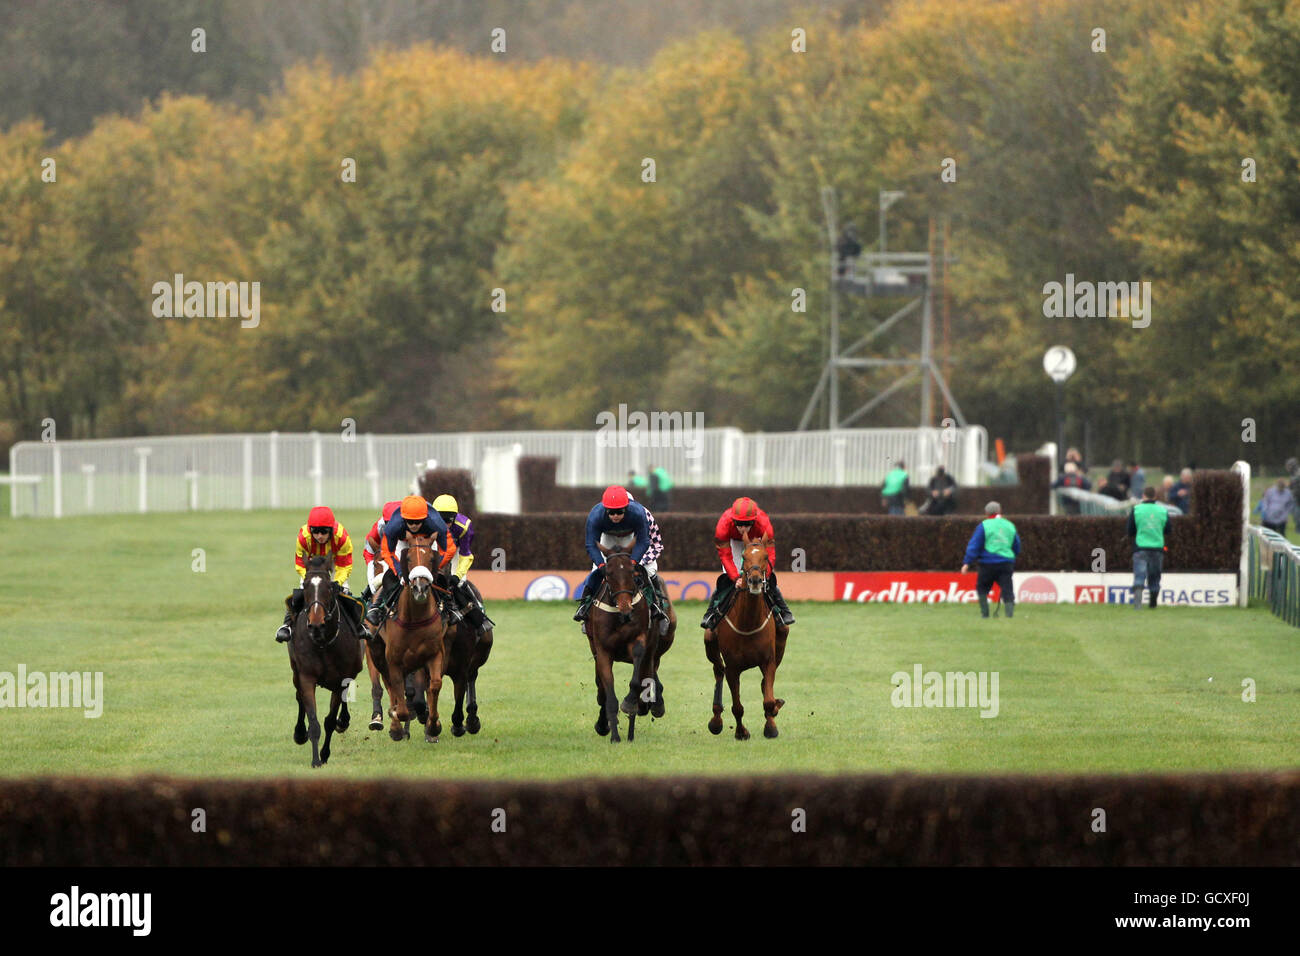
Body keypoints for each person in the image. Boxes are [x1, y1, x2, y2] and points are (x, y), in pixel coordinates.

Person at [573, 485, 669, 629]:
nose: (615, 516)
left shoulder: (639, 513)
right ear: (605, 509)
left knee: (648, 570)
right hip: (607, 538)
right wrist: (600, 565)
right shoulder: (595, 515)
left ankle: (657, 606)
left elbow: (644, 541)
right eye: (611, 512)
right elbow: (591, 545)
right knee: (595, 571)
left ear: (627, 508)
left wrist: (633, 561)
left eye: (619, 512)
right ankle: (584, 607)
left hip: (632, 539)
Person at [700, 496, 795, 630]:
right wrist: (735, 578)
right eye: (739, 524)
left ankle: (783, 611)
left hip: (757, 541)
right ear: (733, 520)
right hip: (733, 542)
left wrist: (765, 575)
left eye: (747, 524)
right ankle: (711, 613)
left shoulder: (764, 523)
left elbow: (770, 554)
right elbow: (725, 556)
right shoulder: (723, 525)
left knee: (767, 577)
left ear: (754, 520)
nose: (743, 528)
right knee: (726, 579)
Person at [365, 495, 451, 627]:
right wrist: (399, 572)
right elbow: (387, 553)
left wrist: (433, 568)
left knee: (437, 573)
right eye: (410, 522)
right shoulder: (393, 526)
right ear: (403, 519)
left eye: (418, 522)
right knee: (391, 574)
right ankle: (377, 607)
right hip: (403, 540)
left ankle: (448, 605)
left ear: (425, 518)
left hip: (426, 540)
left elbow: (447, 550)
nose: (414, 525)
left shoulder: (436, 523)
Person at [275, 505, 357, 642]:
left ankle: (358, 626)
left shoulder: (341, 537)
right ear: (310, 530)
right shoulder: (303, 537)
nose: (319, 536)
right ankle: (286, 625)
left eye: (324, 532)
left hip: (333, 562)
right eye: (316, 531)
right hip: (311, 565)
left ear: (331, 530)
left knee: (346, 593)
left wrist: (337, 583)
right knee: (302, 591)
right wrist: (309, 578)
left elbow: (344, 565)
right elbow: (300, 564)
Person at [432, 493, 494, 635]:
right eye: (442, 520)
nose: (446, 525)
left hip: (456, 552)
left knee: (458, 583)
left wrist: (458, 575)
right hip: (434, 549)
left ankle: (479, 617)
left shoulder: (464, 526)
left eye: (449, 520)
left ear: (455, 517)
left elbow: (466, 555)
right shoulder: (428, 523)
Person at [960, 501, 1021, 618]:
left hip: (987, 563)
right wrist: (1012, 556)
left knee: (982, 587)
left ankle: (985, 614)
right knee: (1007, 588)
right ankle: (1009, 615)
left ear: (986, 512)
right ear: (1000, 511)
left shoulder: (984, 525)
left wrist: (967, 562)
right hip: (1006, 563)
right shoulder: (1009, 525)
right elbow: (1016, 545)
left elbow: (974, 545)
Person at [1128, 485, 1170, 609]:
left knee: (1139, 576)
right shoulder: (1162, 510)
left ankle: (1138, 605)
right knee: (1155, 577)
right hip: (1157, 548)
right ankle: (1153, 604)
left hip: (1140, 547)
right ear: (1155, 496)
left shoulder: (1136, 510)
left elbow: (1130, 530)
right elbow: (1168, 530)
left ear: (1143, 496)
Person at [361, 500, 403, 611]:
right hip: (385, 555)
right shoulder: (378, 529)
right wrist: (372, 586)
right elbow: (369, 556)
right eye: (389, 523)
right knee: (376, 584)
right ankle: (372, 609)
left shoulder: (412, 524)